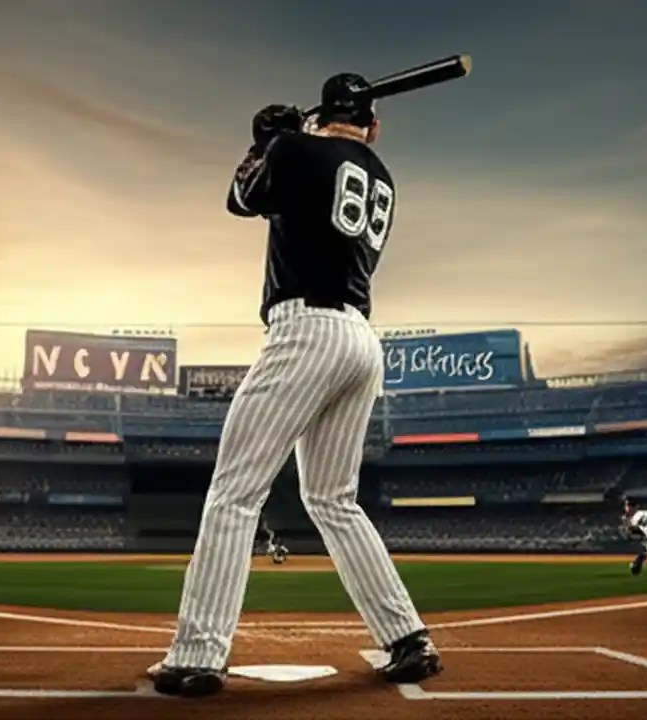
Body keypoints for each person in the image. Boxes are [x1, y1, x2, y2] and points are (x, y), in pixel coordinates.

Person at [147, 72, 440, 698]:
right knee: (335, 499)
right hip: (361, 340)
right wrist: (283, 139)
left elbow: (239, 196)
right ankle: (407, 637)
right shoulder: (382, 177)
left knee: (234, 492)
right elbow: (308, 181)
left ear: (321, 115)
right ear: (372, 126)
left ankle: (198, 653)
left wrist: (267, 142)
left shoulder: (299, 150)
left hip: (303, 332)